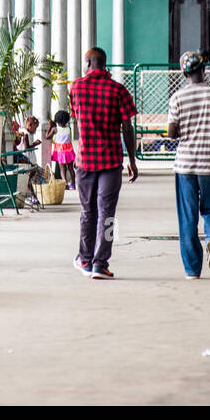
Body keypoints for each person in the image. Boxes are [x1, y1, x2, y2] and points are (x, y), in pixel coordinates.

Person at [67, 47, 139, 280]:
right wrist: (132, 160)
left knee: (88, 212)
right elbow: (127, 128)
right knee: (107, 215)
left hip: (85, 161)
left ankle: (84, 258)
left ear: (88, 62)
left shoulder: (76, 88)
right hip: (111, 162)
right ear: (104, 64)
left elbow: (77, 118)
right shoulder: (118, 90)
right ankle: (101, 264)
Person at [166, 51, 210, 278]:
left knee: (188, 217)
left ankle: (192, 270)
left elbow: (172, 133)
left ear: (184, 72)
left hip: (185, 165)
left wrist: (179, 127)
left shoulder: (177, 97)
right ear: (204, 69)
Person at [50, 110, 76, 189]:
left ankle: (65, 184)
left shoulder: (55, 129)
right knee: (71, 168)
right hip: (69, 151)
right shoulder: (69, 128)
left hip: (61, 151)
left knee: (62, 169)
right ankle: (73, 184)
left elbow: (47, 137)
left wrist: (49, 127)